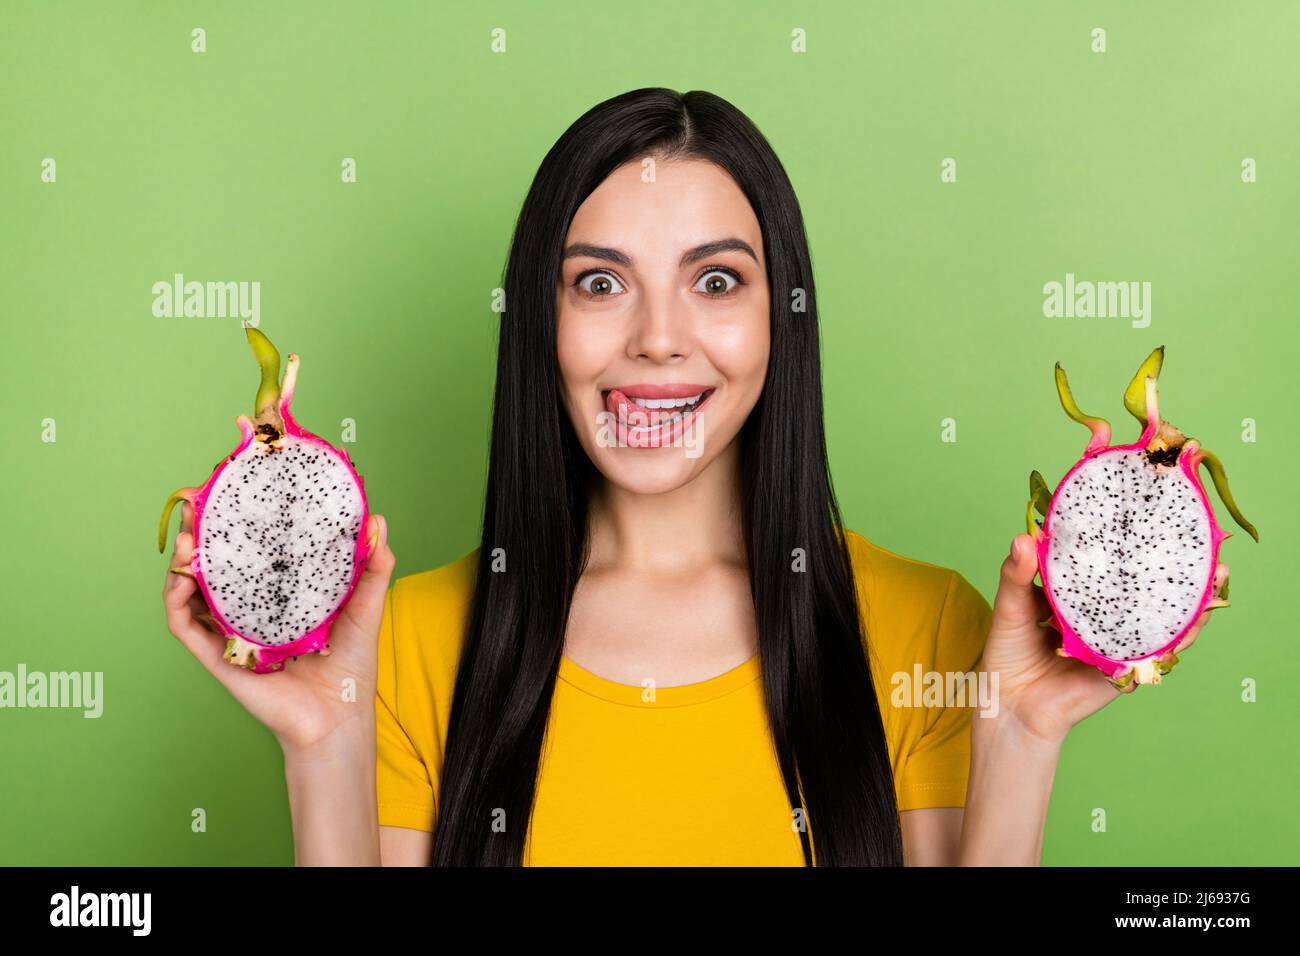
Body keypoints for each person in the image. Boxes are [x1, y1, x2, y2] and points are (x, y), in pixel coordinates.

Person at [161, 88, 1223, 866]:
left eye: (716, 280)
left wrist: (1023, 737)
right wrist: (324, 744)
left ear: (782, 318)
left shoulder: (930, 632)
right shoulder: (409, 646)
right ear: (539, 323)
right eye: (599, 283)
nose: (659, 339)